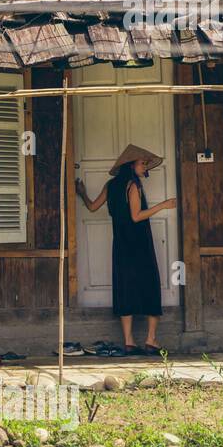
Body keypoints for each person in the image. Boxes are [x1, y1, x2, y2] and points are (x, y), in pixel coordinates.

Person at [75, 144, 176, 354]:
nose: (145, 167)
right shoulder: (133, 185)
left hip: (121, 243)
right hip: (139, 242)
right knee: (150, 284)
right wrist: (164, 205)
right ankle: (151, 339)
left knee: (125, 286)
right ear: (131, 165)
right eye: (142, 163)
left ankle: (129, 341)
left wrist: (82, 193)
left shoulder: (111, 185)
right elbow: (136, 216)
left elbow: (93, 206)